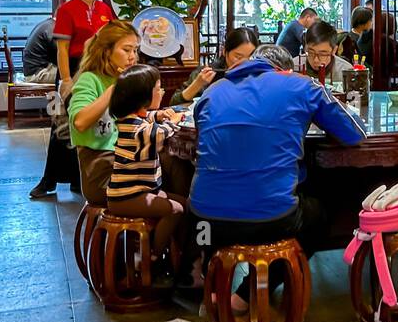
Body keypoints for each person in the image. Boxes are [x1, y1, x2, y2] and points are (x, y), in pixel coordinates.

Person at [190, 43, 365, 307]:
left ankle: (211, 289)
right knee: (318, 216)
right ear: (285, 69)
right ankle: (248, 295)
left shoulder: (212, 91)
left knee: (220, 207)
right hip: (270, 218)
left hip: (204, 222)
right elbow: (354, 134)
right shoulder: (301, 85)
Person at [31, 0, 116, 199]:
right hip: (73, 69)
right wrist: (66, 80)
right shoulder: (66, 10)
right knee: (63, 126)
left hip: (98, 70)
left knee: (96, 122)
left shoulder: (104, 10)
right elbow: (62, 49)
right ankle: (48, 180)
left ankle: (81, 179)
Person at [106, 64, 187, 284]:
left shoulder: (129, 119)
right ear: (143, 97)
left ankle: (177, 259)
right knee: (176, 210)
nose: (161, 92)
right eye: (158, 89)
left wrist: (159, 114)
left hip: (137, 191)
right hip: (128, 197)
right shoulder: (139, 130)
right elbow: (160, 133)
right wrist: (174, 120)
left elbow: (149, 118)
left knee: (184, 202)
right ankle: (150, 256)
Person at [66, 19, 139, 205]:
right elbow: (80, 122)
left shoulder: (122, 79)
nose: (133, 57)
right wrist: (114, 90)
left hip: (123, 162)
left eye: (135, 50)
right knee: (171, 202)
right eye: (126, 50)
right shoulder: (90, 80)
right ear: (107, 51)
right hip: (101, 173)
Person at [172, 27, 257, 105]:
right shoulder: (209, 72)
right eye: (238, 57)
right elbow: (174, 103)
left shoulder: (259, 76)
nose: (244, 63)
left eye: (250, 57)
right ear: (224, 51)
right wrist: (197, 84)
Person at [22, 17, 58, 82]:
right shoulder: (53, 28)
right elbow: (60, 54)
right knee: (75, 75)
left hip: (34, 71)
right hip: (38, 74)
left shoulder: (48, 24)